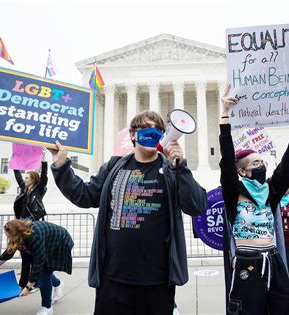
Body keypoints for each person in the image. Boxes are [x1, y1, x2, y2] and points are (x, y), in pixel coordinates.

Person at [50, 110, 207, 314]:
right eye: (146, 129)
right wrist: (62, 165)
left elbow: (196, 205)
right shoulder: (114, 166)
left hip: (157, 279)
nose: (153, 133)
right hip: (113, 276)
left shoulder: (171, 170)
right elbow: (85, 196)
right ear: (132, 134)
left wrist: (180, 167)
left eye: (159, 130)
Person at [219, 85, 289, 315]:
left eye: (262, 162)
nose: (261, 166)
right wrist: (225, 116)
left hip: (273, 260)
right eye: (255, 164)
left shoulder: (270, 191)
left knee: (285, 308)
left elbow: (287, 168)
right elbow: (227, 162)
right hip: (247, 263)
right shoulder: (233, 192)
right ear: (243, 171)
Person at [0, 219, 74, 315]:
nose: (8, 237)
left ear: (16, 233)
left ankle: (47, 307)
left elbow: (39, 263)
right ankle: (58, 284)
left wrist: (28, 287)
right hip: (47, 241)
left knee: (43, 274)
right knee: (44, 272)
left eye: (9, 236)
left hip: (59, 242)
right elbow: (8, 253)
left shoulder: (35, 237)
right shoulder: (18, 236)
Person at [13, 149, 52, 293]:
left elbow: (45, 176)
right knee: (24, 255)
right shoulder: (24, 190)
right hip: (21, 226)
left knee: (35, 256)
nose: (25, 179)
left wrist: (43, 160)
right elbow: (17, 175)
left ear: (34, 179)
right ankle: (22, 284)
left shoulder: (39, 190)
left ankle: (35, 283)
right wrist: (15, 161)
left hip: (33, 225)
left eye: (27, 177)